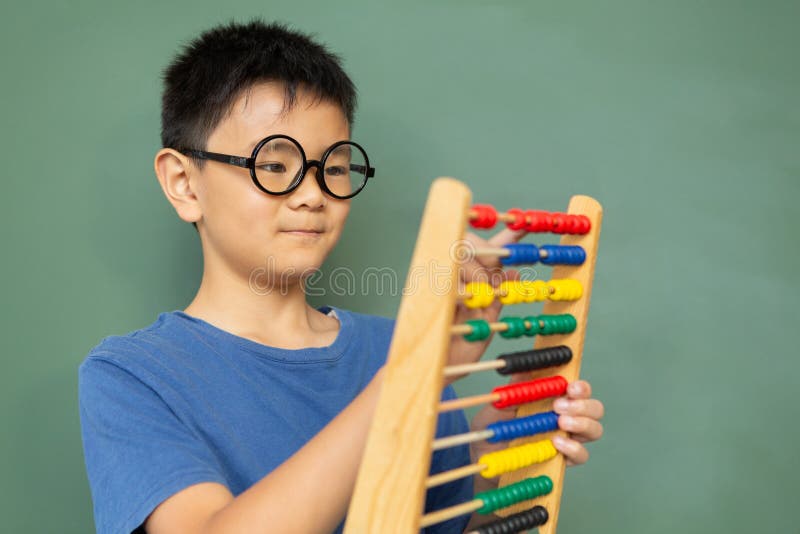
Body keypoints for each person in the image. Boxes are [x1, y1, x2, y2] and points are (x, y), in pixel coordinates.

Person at [78, 19, 605, 534]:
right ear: (184, 184)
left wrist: (510, 450)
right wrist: (410, 375)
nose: (313, 194)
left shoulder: (399, 348)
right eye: (274, 165)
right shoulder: (133, 377)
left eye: (333, 168)